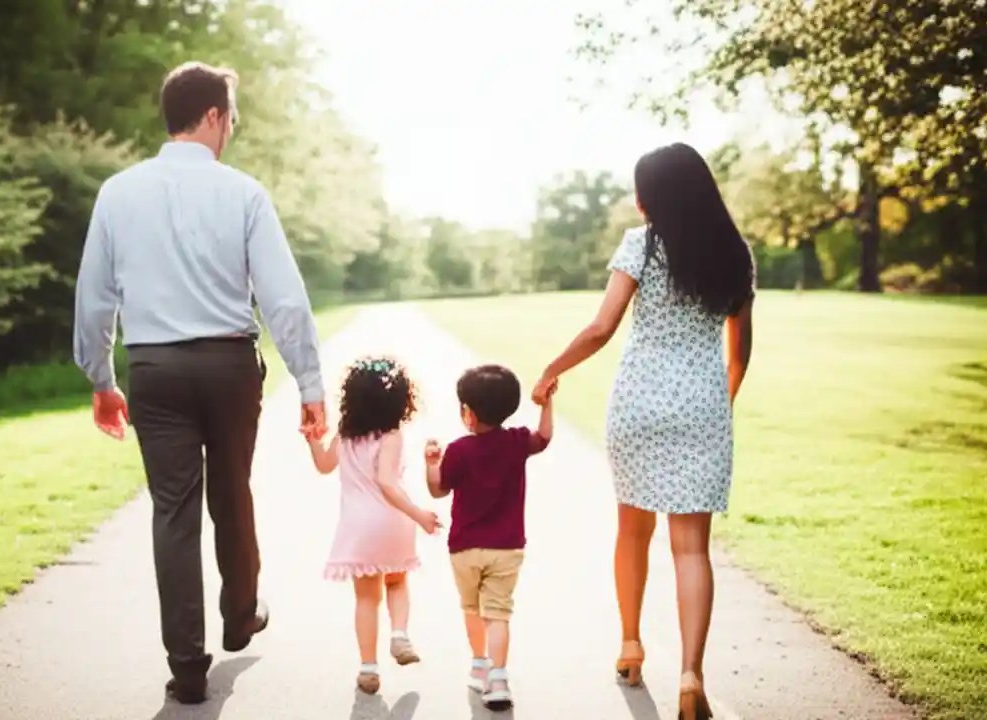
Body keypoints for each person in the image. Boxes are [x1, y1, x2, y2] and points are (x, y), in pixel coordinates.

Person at [72, 60, 327, 705]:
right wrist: (310, 382)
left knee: (173, 513)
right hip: (229, 367)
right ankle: (241, 615)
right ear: (213, 115)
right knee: (231, 491)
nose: (231, 131)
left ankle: (187, 664)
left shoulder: (118, 193)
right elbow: (285, 300)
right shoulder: (242, 193)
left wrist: (101, 377)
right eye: (231, 118)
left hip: (155, 369)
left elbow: (94, 299)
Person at [531, 142, 755, 720]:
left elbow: (602, 327)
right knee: (691, 549)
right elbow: (740, 351)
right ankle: (690, 676)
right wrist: (716, 403)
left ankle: (631, 645)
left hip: (638, 404)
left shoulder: (641, 245)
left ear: (650, 198)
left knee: (632, 531)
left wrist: (552, 368)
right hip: (701, 406)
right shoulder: (735, 254)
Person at [305, 356, 440, 695]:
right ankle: (400, 634)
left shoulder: (345, 436)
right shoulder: (391, 436)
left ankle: (368, 667)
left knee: (366, 599)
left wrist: (311, 439)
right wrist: (419, 514)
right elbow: (388, 483)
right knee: (396, 582)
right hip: (393, 521)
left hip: (359, 527)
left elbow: (324, 465)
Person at [424, 365, 556, 712]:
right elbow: (543, 438)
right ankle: (498, 677)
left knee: (472, 608)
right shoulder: (516, 442)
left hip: (464, 549)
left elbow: (438, 489)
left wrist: (431, 463)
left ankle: (479, 662)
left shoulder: (458, 450)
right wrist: (547, 404)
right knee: (498, 613)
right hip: (507, 548)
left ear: (467, 413)